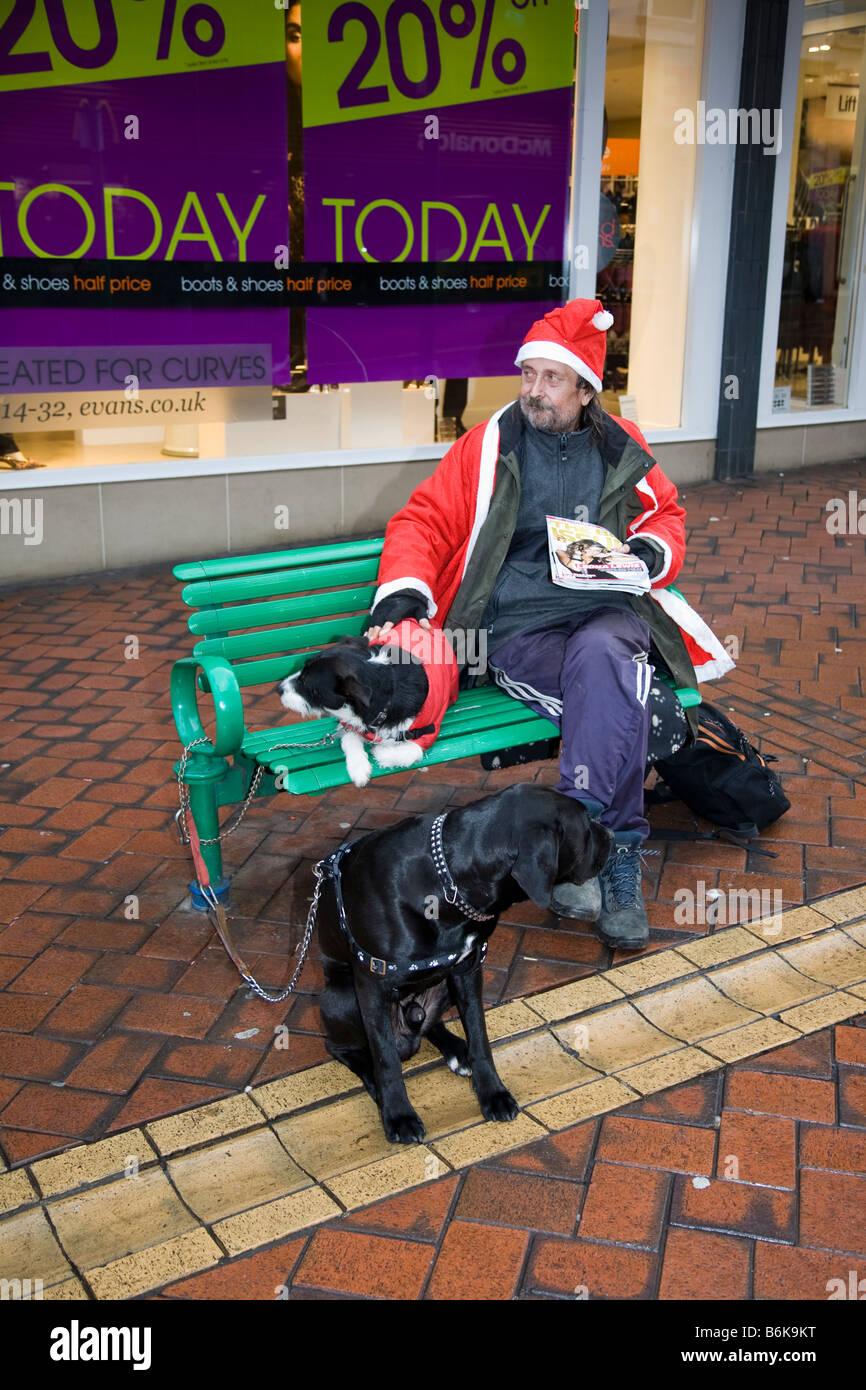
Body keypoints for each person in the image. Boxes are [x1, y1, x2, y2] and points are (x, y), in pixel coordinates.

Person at [366, 299, 732, 951]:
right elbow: (421, 520)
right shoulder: (491, 443)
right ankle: (615, 853)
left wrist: (646, 553)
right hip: (516, 627)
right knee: (619, 693)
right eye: (528, 374)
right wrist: (405, 590)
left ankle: (583, 844)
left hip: (606, 612)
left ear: (587, 389)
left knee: (608, 668)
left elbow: (666, 515)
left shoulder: (623, 445)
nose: (533, 390)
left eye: (551, 377)